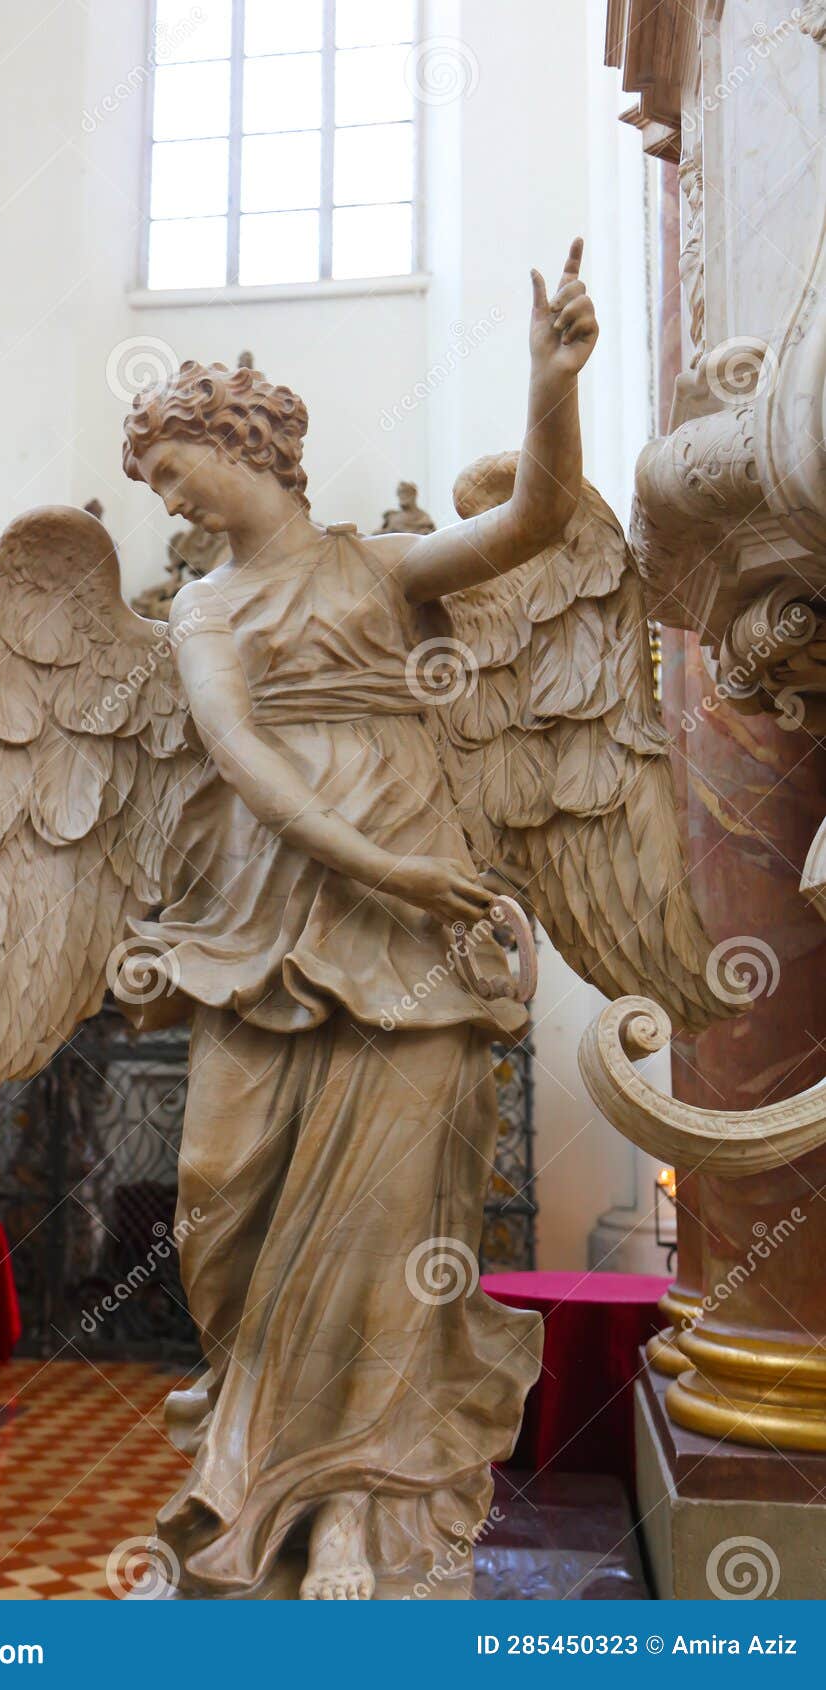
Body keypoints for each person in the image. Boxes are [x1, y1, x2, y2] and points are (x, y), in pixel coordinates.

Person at [122, 241, 600, 1600]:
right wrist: (377, 869)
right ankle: (252, 1481)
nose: (162, 497)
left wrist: (546, 385)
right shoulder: (204, 607)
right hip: (272, 913)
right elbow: (241, 757)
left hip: (410, 932)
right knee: (221, 1198)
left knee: (394, 1223)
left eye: (170, 467)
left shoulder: (377, 567)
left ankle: (355, 1509)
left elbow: (533, 526)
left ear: (239, 441)